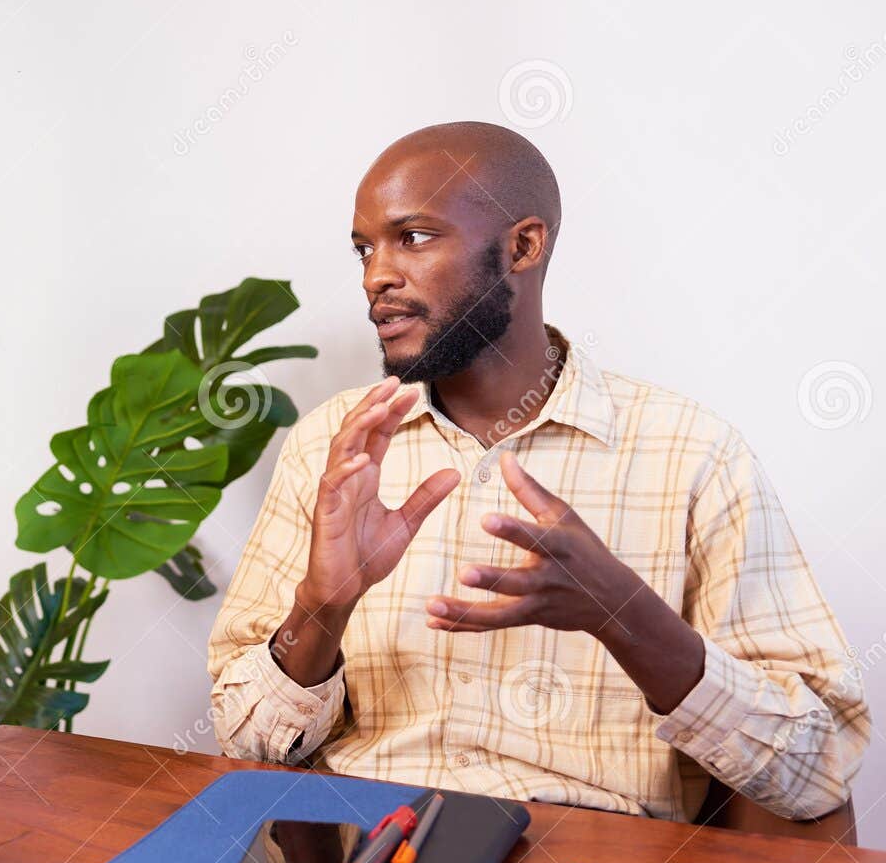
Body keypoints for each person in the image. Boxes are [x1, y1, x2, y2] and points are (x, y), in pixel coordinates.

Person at [208, 121, 869, 822]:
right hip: (366, 852)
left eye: (415, 237)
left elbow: (816, 769)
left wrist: (627, 616)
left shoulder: (691, 452)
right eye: (365, 248)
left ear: (523, 245)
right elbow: (246, 744)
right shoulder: (333, 446)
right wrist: (323, 602)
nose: (377, 275)